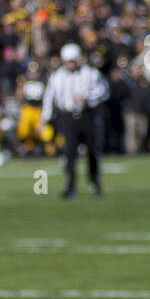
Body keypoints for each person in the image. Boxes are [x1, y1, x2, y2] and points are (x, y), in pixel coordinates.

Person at [40, 43, 109, 199]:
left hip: (87, 116)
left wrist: (88, 99)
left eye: (72, 61)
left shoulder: (90, 73)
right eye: (67, 61)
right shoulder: (57, 76)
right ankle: (70, 185)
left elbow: (103, 91)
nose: (70, 64)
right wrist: (45, 118)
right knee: (69, 152)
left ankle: (94, 181)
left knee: (92, 151)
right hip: (67, 117)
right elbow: (49, 97)